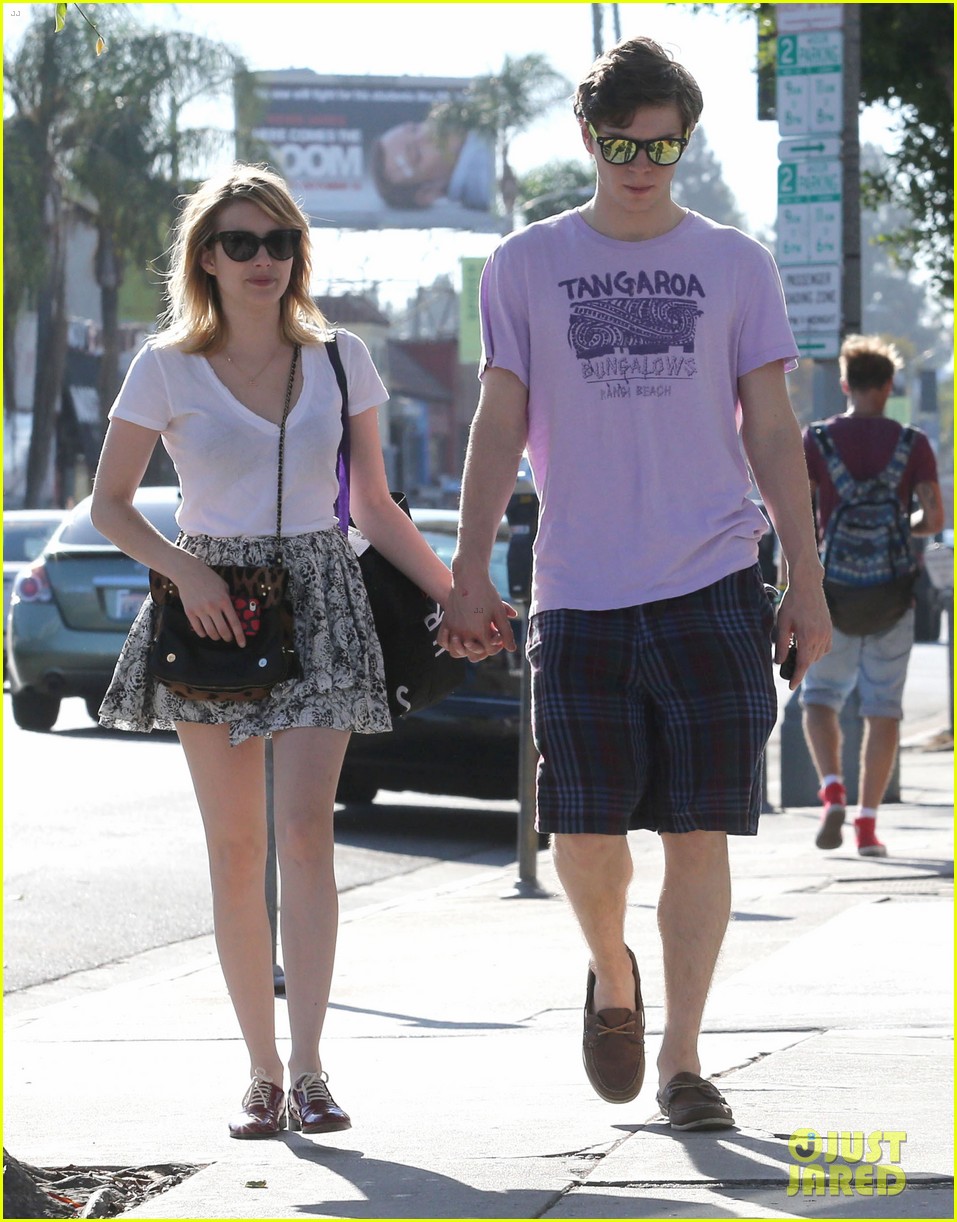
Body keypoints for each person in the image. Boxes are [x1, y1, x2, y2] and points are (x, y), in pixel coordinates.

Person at [437, 36, 833, 1132]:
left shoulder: (735, 264)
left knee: (699, 828)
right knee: (584, 832)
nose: (642, 162)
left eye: (663, 144)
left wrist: (805, 579)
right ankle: (613, 973)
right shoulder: (525, 262)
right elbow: (500, 420)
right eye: (622, 142)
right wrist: (468, 568)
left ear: (686, 142)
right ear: (588, 138)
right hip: (575, 584)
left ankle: (684, 1058)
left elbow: (772, 426)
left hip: (713, 576)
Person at [92, 163, 462, 1139]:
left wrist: (460, 593)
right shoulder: (163, 366)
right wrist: (187, 572)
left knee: (306, 836)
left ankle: (310, 1068)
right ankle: (257, 1071)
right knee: (236, 850)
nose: (263, 259)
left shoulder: (343, 359)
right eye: (241, 243)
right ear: (206, 257)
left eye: (280, 242)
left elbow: (375, 505)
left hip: (325, 602)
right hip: (210, 613)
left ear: (301, 253)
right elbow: (111, 504)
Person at [800, 335, 943, 857]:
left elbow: (796, 512)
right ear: (888, 386)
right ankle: (866, 825)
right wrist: (898, 524)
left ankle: (832, 788)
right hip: (893, 596)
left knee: (819, 700)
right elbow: (934, 519)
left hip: (832, 593)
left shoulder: (816, 440)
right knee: (882, 709)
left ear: (844, 385)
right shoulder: (912, 443)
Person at [370, 119, 493, 210]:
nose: (427, 133)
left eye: (415, 128)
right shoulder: (492, 179)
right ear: (427, 193)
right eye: (417, 154)